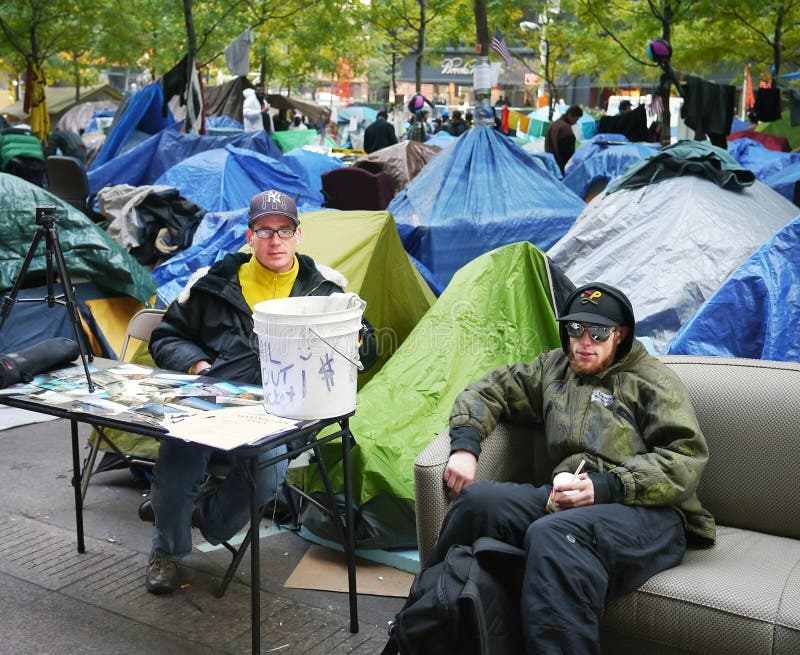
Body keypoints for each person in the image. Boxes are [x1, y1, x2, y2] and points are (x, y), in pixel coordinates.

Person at [428, 282, 715, 654]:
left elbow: (684, 459)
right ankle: (427, 629)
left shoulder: (651, 381)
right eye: (575, 328)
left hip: (648, 514)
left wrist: (606, 486)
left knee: (553, 536)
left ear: (620, 334)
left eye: (598, 332)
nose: (584, 340)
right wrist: (465, 446)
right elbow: (487, 390)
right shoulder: (554, 369)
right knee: (476, 502)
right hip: (567, 500)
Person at [142, 189, 377, 594]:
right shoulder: (212, 283)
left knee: (267, 474)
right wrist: (198, 366)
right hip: (214, 401)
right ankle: (169, 550)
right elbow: (167, 336)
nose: (275, 240)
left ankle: (206, 521)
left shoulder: (325, 290)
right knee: (177, 454)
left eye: (284, 230)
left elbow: (366, 347)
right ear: (249, 237)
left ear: (298, 235)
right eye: (264, 231)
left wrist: (354, 341)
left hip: (285, 413)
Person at [544, 104, 583, 175]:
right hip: (561, 167)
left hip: (551, 165)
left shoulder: (553, 124)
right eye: (576, 119)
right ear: (570, 115)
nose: (576, 122)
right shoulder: (565, 128)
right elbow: (568, 153)